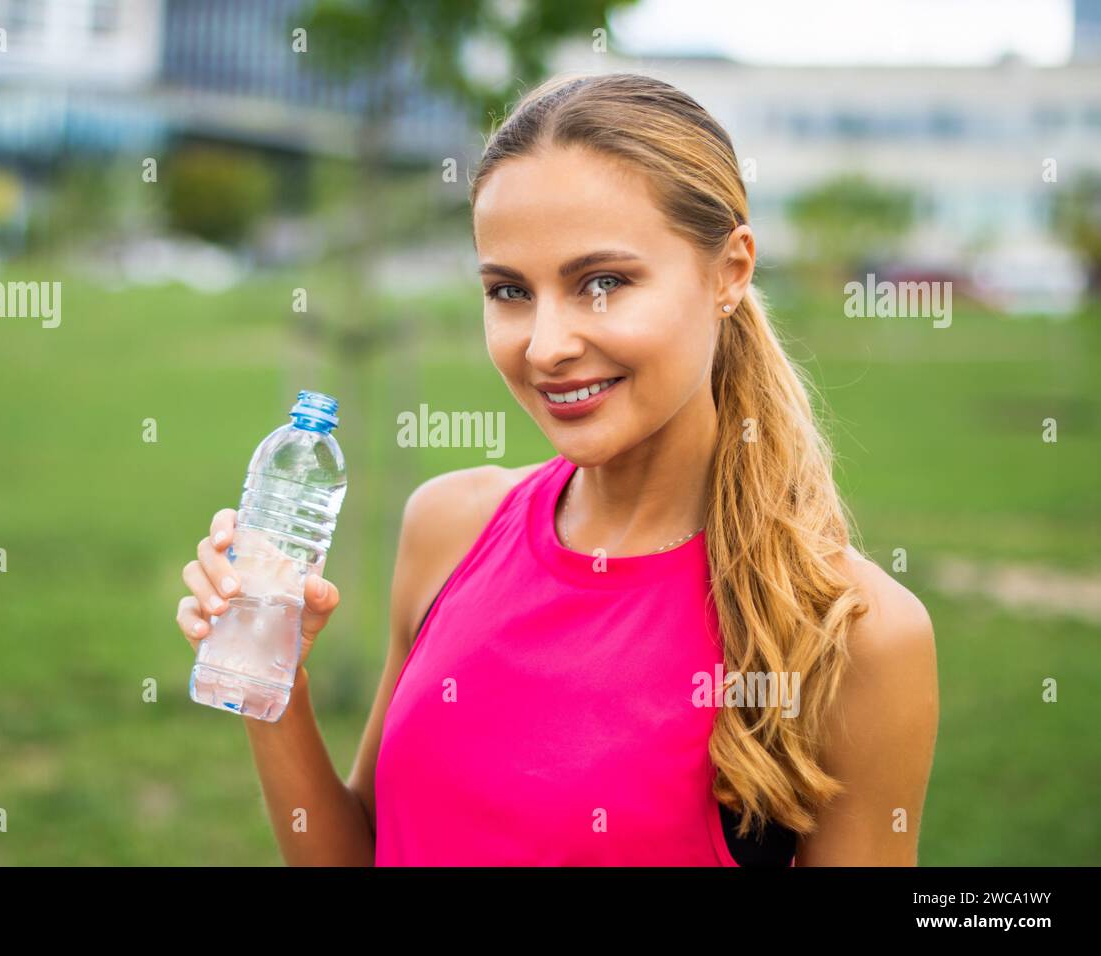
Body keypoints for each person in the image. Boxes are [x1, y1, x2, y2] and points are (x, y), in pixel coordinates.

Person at [175, 72, 939, 866]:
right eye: (509, 290)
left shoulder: (853, 635)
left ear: (731, 271)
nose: (544, 346)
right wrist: (272, 677)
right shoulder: (448, 526)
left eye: (601, 284)